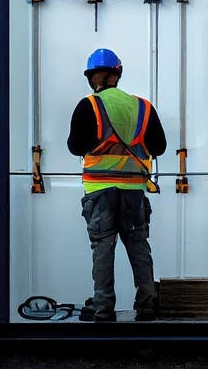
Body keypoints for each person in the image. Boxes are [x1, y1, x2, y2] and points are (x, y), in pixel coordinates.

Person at [67, 48, 167, 322]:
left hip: (100, 193)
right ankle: (147, 308)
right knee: (138, 247)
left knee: (103, 250)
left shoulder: (88, 105)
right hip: (133, 193)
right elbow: (159, 146)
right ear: (118, 74)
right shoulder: (143, 107)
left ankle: (103, 311)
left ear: (92, 78)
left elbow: (75, 147)